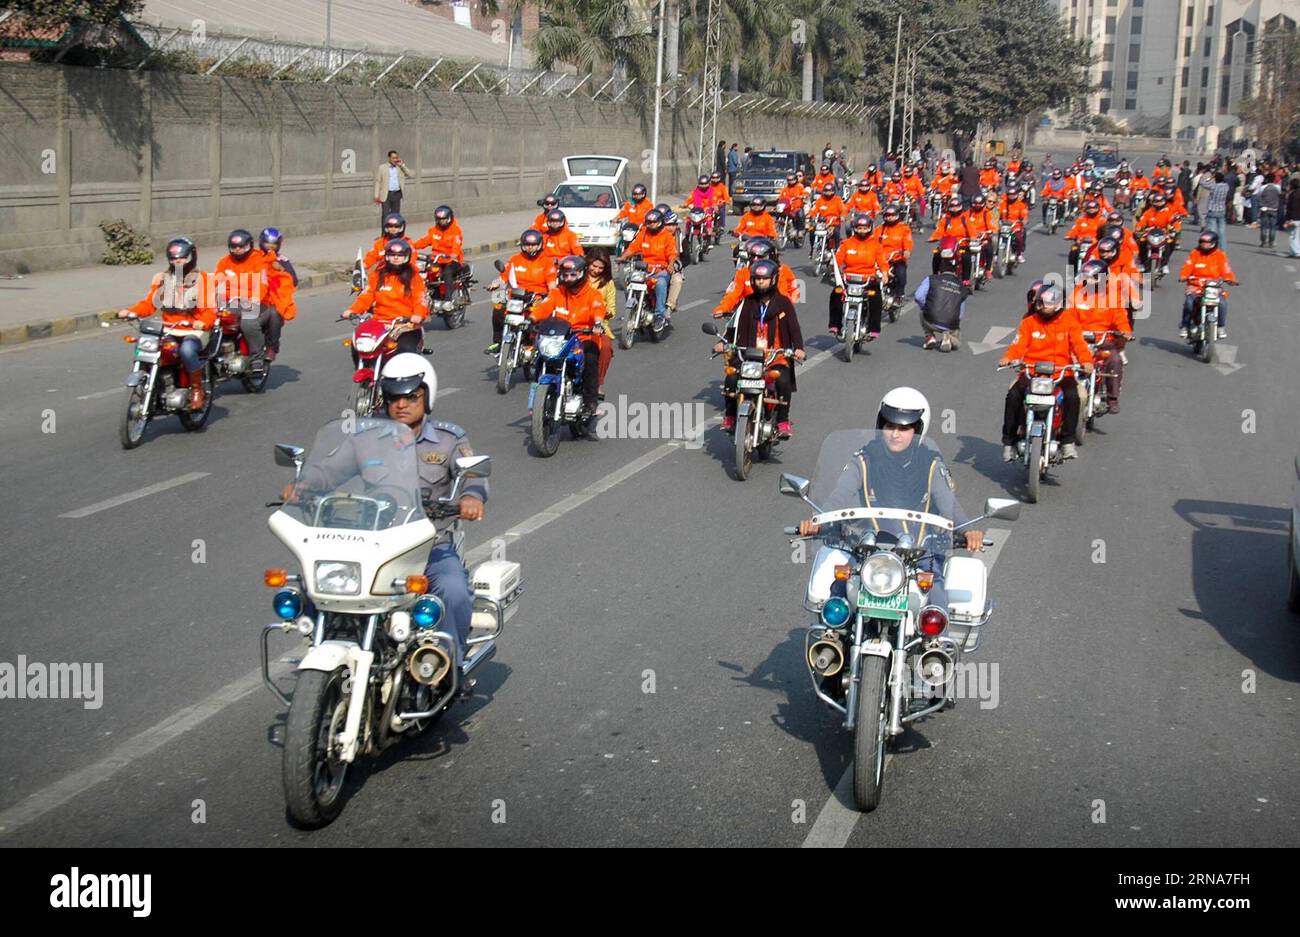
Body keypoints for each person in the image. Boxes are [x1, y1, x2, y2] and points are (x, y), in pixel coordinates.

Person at [285, 355, 486, 665]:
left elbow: (473, 475)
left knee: (454, 590)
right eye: (394, 397)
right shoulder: (366, 439)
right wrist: (304, 484)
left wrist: (472, 498)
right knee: (316, 580)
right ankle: (323, 645)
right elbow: (328, 471)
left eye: (410, 396)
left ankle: (448, 665)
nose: (401, 404)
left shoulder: (449, 439)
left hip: (428, 547)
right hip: (373, 542)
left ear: (427, 396)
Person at [796, 389, 986, 614]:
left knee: (935, 606)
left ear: (918, 430)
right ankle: (830, 641)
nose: (896, 433)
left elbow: (949, 504)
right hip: (870, 550)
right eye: (890, 426)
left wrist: (968, 531)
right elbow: (840, 494)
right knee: (838, 595)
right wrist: (818, 519)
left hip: (920, 552)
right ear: (881, 426)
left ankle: (936, 649)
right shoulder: (864, 459)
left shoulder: (931, 465)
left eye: (904, 428)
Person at [116, 237, 218, 410]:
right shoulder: (164, 279)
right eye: (173, 258)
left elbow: (210, 310)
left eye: (182, 257)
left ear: (191, 257)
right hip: (169, 329)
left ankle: (196, 390)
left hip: (194, 330)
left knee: (187, 350)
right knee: (149, 348)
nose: (178, 261)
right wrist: (130, 312)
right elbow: (149, 303)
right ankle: (156, 384)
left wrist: (203, 322)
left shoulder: (204, 280)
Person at [997, 284, 1093, 462]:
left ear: (1058, 304)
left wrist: (1086, 361)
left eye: (1046, 303)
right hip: (1031, 373)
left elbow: (1079, 345)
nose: (1041, 307)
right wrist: (1008, 358)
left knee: (1075, 396)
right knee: (1013, 396)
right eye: (1040, 303)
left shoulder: (1069, 322)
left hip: (1061, 374)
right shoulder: (1029, 322)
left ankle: (1067, 441)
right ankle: (1009, 442)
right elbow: (1018, 345)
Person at [711, 259, 805, 438]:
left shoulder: (784, 303)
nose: (761, 282)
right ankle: (730, 416)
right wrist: (724, 342)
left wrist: (798, 348)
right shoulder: (747, 302)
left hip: (775, 356)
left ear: (774, 279)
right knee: (731, 378)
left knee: (783, 382)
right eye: (757, 278)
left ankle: (783, 420)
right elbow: (734, 326)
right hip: (749, 356)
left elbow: (794, 328)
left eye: (765, 278)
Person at [528, 254, 606, 417]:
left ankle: (591, 402)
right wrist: (531, 318)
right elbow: (544, 307)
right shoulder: (557, 293)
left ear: (582, 274)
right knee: (541, 359)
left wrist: (598, 324)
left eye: (573, 275)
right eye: (565, 275)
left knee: (590, 359)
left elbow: (598, 309)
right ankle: (535, 402)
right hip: (559, 339)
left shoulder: (593, 294)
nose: (569, 279)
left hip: (583, 338)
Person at [343, 239, 427, 360]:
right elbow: (366, 296)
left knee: (404, 352)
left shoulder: (414, 277)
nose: (396, 258)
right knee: (359, 345)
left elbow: (420, 299)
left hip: (405, 325)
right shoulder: (377, 275)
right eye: (392, 255)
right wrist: (352, 310)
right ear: (386, 257)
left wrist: (418, 315)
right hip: (380, 323)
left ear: (407, 257)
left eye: (400, 255)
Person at [1069, 260, 1132, 414]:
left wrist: (1124, 331)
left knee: (1115, 360)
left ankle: (1112, 398)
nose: (1087, 281)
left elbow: (1120, 316)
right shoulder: (1077, 293)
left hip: (1104, 341)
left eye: (1092, 278)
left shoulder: (1113, 296)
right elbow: (1067, 315)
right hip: (1079, 340)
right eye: (1086, 277)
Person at [214, 228, 278, 371]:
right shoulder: (224, 262)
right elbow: (216, 281)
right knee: (211, 322)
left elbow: (262, 284)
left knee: (248, 322)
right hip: (231, 303)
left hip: (258, 304)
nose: (237, 250)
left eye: (241, 247)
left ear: (249, 246)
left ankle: (256, 358)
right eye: (234, 247)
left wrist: (253, 301)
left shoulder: (258, 261)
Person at [485, 229, 554, 355]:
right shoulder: (515, 259)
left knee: (535, 320)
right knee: (498, 309)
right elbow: (504, 277)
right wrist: (495, 284)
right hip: (517, 296)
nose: (530, 248)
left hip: (536, 298)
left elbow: (552, 286)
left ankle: (531, 345)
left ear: (539, 245)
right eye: (527, 245)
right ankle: (499, 343)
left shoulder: (547, 262)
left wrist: (548, 296)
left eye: (533, 245)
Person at [617, 208, 678, 327]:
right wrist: (623, 257)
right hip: (644, 269)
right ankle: (632, 309)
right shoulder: (644, 233)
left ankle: (660, 316)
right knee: (628, 282)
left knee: (660, 284)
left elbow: (672, 253)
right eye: (648, 222)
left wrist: (670, 265)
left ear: (660, 222)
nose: (650, 224)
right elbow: (633, 248)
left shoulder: (666, 236)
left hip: (661, 269)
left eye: (653, 222)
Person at [830, 214, 888, 341]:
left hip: (868, 279)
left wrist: (884, 273)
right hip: (849, 278)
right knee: (836, 293)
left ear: (870, 228)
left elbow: (882, 262)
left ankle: (873, 328)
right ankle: (835, 325)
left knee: (876, 297)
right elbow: (838, 260)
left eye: (865, 228)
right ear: (854, 228)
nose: (862, 231)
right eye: (859, 228)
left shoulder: (876, 245)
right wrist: (833, 270)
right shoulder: (846, 244)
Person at [712, 237, 800, 318]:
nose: (755, 259)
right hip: (749, 317)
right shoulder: (743, 273)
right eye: (753, 256)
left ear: (771, 257)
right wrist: (722, 308)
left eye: (760, 257)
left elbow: (795, 291)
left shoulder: (784, 271)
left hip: (778, 316)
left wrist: (787, 308)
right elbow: (732, 294)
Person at [1179, 230, 1237, 339]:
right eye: (1202, 242)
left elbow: (1226, 269)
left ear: (1213, 243)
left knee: (1223, 303)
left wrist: (1230, 279)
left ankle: (1220, 327)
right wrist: (1184, 276)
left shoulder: (1220, 255)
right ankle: (1185, 326)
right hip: (1196, 286)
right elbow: (1187, 266)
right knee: (1189, 303)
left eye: (1207, 242)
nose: (1204, 244)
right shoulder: (1195, 253)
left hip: (1213, 287)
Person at [914, 237, 968, 351]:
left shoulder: (931, 279)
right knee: (957, 344)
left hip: (930, 319)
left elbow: (918, 296)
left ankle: (930, 337)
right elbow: (960, 314)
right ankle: (948, 335)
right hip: (951, 323)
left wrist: (927, 307)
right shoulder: (962, 287)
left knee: (921, 314)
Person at [412, 205, 465, 312]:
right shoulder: (433, 230)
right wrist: (410, 246)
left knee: (447, 272)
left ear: (449, 218)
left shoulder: (455, 231)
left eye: (444, 219)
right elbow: (424, 241)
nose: (442, 222)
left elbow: (456, 245)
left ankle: (448, 300)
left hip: (452, 261)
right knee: (420, 271)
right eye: (439, 219)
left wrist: (453, 254)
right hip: (436, 260)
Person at [585, 247, 618, 396]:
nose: (596, 270)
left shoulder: (608, 283)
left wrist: (605, 313)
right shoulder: (577, 277)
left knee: (605, 347)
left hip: (598, 326)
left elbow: (611, 308)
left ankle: (597, 383)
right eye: (594, 266)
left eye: (600, 268)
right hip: (575, 323)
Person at [875, 202, 913, 305]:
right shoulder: (880, 229)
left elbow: (908, 241)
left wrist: (907, 250)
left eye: (892, 216)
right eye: (888, 216)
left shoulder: (904, 228)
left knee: (901, 274)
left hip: (896, 258)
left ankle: (899, 296)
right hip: (880, 259)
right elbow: (872, 242)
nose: (890, 218)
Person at [374, 150, 412, 229]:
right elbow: (378, 181)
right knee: (385, 215)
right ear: (389, 158)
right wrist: (376, 195)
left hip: (397, 194)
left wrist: (402, 165)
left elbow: (410, 174)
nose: (395, 159)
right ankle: (384, 234)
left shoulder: (400, 167)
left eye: (396, 158)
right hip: (386, 194)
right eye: (393, 158)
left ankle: (394, 234)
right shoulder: (382, 167)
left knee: (395, 215)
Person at [808, 182, 848, 255]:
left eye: (830, 191)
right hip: (821, 223)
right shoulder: (820, 200)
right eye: (826, 191)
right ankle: (812, 249)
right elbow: (813, 210)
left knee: (836, 232)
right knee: (811, 232)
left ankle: (837, 249)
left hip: (833, 223)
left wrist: (842, 216)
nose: (828, 193)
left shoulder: (837, 200)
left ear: (833, 191)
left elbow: (844, 209)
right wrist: (811, 216)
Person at [998, 187, 1030, 263]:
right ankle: (996, 255)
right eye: (1010, 194)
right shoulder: (1002, 204)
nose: (1011, 196)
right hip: (1004, 229)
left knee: (1018, 238)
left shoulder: (1021, 205)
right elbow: (996, 215)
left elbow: (1025, 216)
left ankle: (1019, 255)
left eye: (1013, 194)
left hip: (1014, 230)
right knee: (995, 238)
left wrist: (1024, 221)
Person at [1204, 172, 1229, 242]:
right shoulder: (1226, 186)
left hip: (1212, 209)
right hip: (1222, 210)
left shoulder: (1213, 186)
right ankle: (1223, 250)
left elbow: (1203, 183)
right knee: (1222, 232)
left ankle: (1213, 245)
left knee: (1212, 230)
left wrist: (1210, 178)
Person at [709, 171, 731, 239]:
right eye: (713, 178)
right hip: (710, 205)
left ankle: (721, 226)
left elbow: (727, 198)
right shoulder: (709, 187)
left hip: (719, 205)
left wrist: (723, 201)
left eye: (716, 178)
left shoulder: (722, 187)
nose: (715, 179)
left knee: (721, 210)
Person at [1283, 178, 1300, 258]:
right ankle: (1294, 252)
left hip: (1295, 218)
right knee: (1297, 235)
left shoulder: (1293, 194)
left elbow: (1291, 207)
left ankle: (1296, 252)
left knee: (1293, 236)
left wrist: (1288, 219)